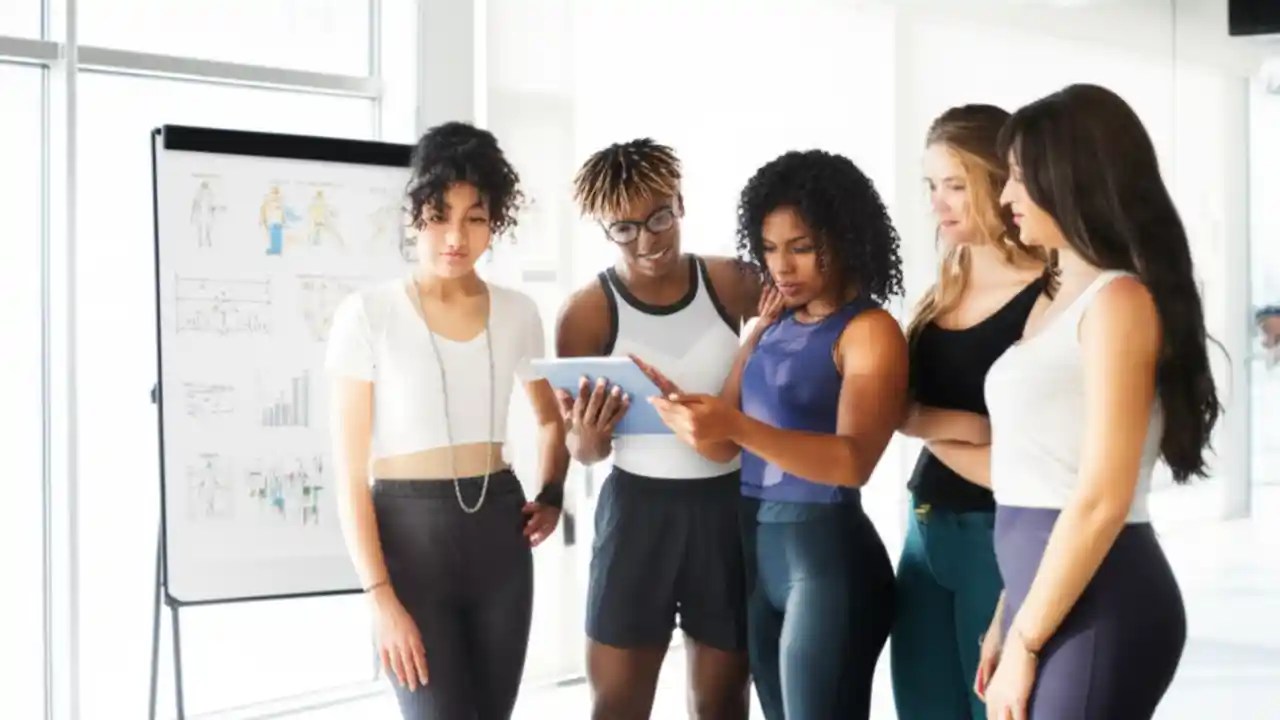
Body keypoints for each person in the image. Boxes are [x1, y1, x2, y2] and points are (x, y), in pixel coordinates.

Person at [979, 84, 1220, 719]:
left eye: (1021, 179)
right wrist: (1010, 614)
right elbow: (1040, 472)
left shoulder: (1118, 303)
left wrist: (1027, 640)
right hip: (1051, 599)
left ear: (1074, 179)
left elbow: (1101, 497)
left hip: (1101, 606)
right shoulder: (1059, 299)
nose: (1006, 198)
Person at [646, 149, 907, 719]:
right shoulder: (774, 324)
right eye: (768, 249)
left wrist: (733, 423)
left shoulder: (871, 331)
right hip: (759, 550)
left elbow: (852, 462)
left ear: (845, 240)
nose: (781, 266)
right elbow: (720, 444)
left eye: (801, 247)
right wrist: (684, 410)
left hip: (828, 557)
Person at [325, 121, 568, 720]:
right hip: (409, 544)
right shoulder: (367, 315)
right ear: (413, 215)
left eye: (475, 217)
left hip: (499, 542)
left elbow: (550, 421)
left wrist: (554, 492)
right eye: (439, 215)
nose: (456, 236)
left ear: (496, 222)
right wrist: (380, 598)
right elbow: (348, 474)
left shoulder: (518, 313)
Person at [555, 138, 762, 720]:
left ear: (680, 201)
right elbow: (582, 448)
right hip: (636, 512)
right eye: (624, 229)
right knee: (618, 704)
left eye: (660, 217)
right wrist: (588, 439)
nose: (647, 240)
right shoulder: (586, 312)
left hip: (726, 505)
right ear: (603, 228)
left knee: (722, 702)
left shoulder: (731, 282)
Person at [890, 104, 1046, 720]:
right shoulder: (943, 284)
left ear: (999, 180)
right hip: (922, 528)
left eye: (956, 185)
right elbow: (905, 414)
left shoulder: (1049, 296)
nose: (939, 203)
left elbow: (1031, 467)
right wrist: (961, 427)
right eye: (931, 186)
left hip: (998, 538)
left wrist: (922, 423)